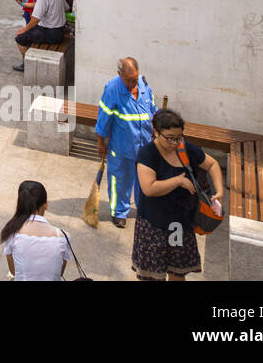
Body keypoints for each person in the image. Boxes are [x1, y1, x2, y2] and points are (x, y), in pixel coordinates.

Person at [132, 109, 224, 281]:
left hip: (179, 225)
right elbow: (149, 188)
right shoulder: (147, 154)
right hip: (154, 226)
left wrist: (219, 191)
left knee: (177, 272)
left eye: (179, 137)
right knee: (152, 276)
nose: (175, 142)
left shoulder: (185, 149)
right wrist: (178, 181)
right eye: (170, 138)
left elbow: (212, 164)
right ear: (156, 132)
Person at [94, 57, 156, 228]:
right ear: (119, 74)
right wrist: (100, 142)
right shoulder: (112, 89)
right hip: (121, 147)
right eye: (128, 80)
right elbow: (103, 117)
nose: (132, 84)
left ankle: (144, 209)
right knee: (120, 181)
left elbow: (152, 109)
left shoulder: (144, 84)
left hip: (145, 146)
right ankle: (119, 212)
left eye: (134, 79)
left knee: (145, 181)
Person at [0, 180, 72, 281]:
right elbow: (59, 272)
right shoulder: (63, 237)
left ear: (20, 204)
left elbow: (13, 272)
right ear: (46, 205)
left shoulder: (11, 234)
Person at [13, 0, 66, 72]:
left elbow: (36, 19)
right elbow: (66, 7)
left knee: (19, 39)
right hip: (60, 29)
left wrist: (24, 29)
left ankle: (26, 64)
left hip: (51, 32)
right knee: (30, 33)